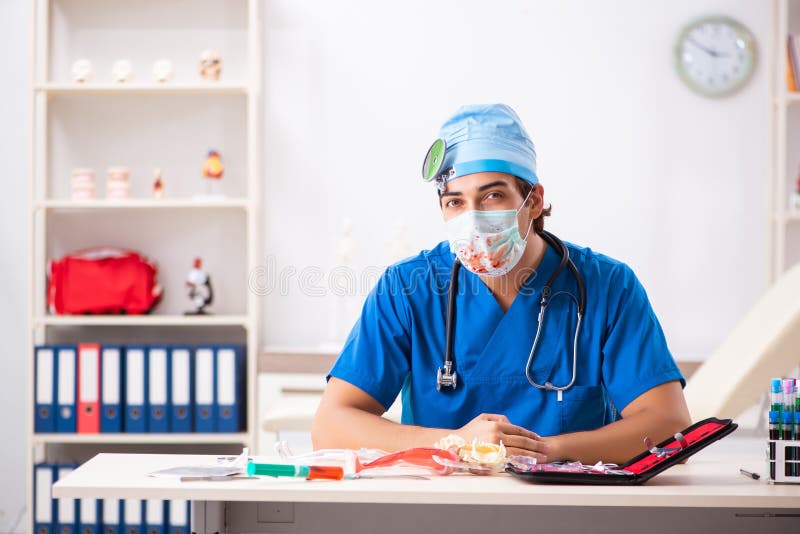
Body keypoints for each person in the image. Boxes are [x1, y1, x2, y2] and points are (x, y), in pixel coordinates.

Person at [312, 104, 691, 464]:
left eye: (493, 196)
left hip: (569, 508)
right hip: (442, 506)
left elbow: (670, 427)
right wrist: (454, 443)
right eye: (456, 202)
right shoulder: (408, 288)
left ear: (534, 200)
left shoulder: (608, 286)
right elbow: (331, 427)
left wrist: (547, 450)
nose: (473, 219)